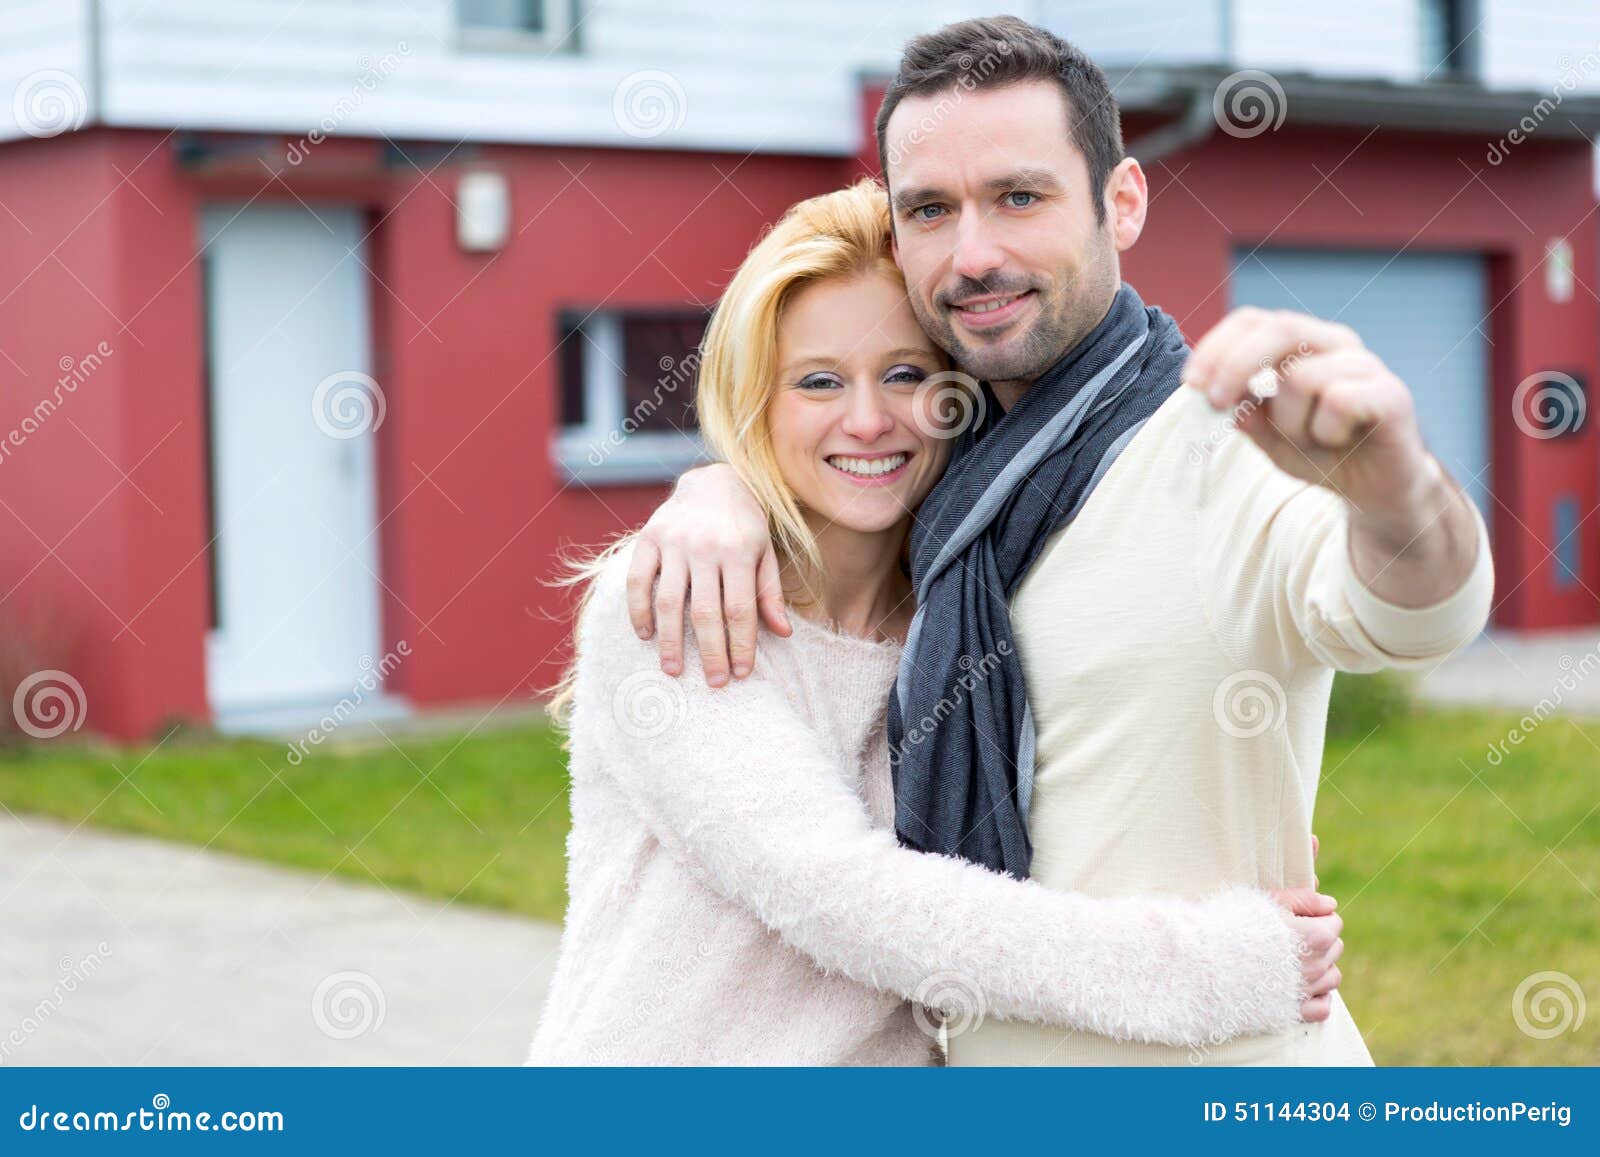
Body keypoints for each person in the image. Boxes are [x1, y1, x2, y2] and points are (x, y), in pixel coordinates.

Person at [624, 17, 1493, 1065]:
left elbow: (1418, 611)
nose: (973, 255)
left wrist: (1396, 486)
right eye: (930, 210)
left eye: (1019, 197)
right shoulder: (934, 485)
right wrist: (719, 485)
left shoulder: (1233, 441)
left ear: (1121, 201)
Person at [525, 180, 1343, 1066]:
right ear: (755, 398)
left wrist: (1220, 837)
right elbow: (841, 893)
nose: (869, 420)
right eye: (819, 381)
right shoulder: (680, 598)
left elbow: (1074, 787)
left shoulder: (965, 616)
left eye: (906, 375)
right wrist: (1214, 971)